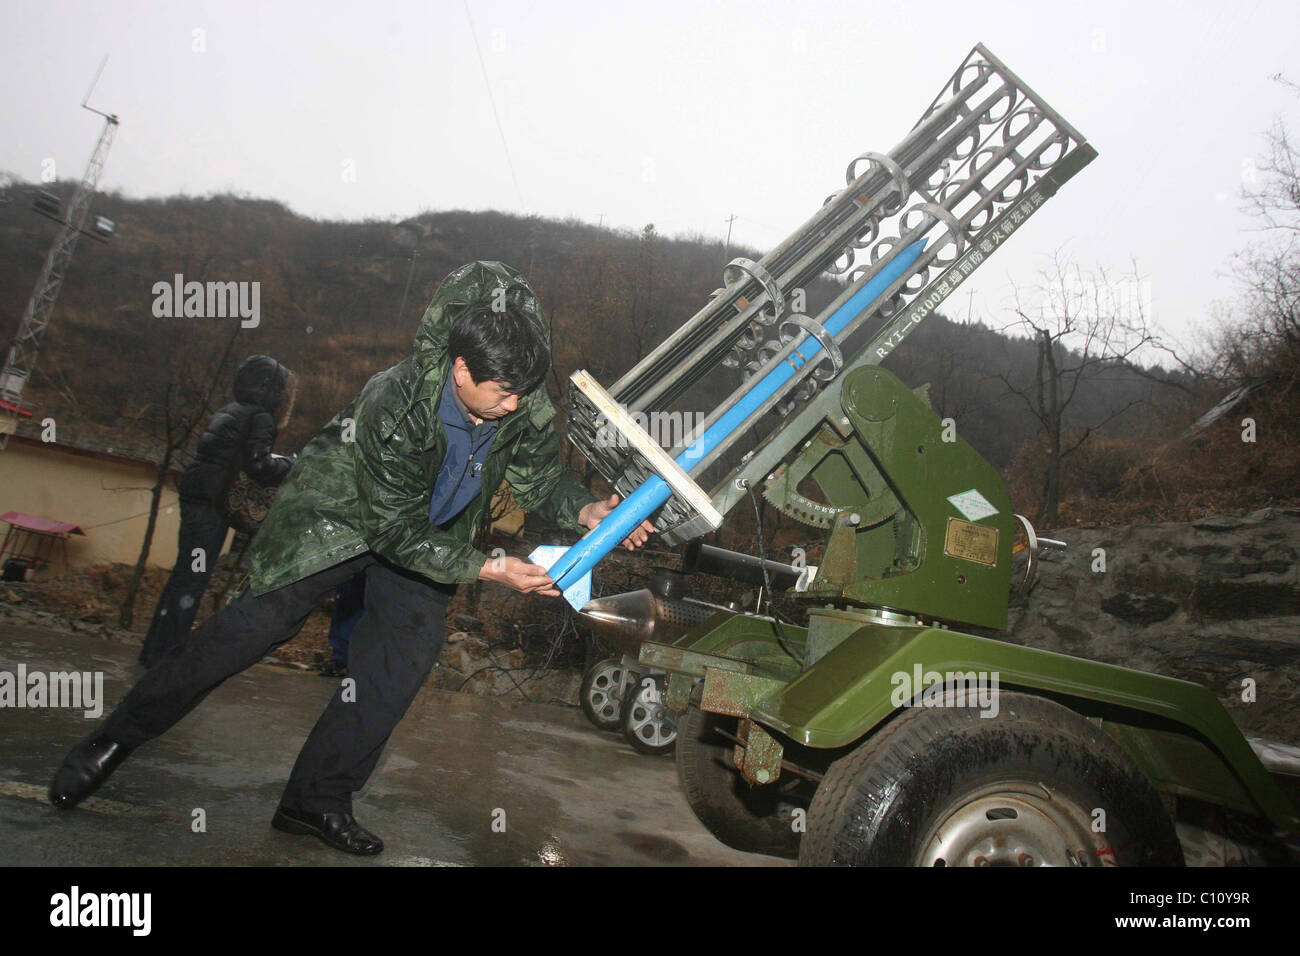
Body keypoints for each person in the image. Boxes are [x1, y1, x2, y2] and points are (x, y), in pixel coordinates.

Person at [49, 261, 653, 856]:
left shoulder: (517, 392)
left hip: (432, 538)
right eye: (502, 393)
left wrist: (585, 510)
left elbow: (539, 474)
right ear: (461, 369)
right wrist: (490, 569)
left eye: (523, 393)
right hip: (337, 522)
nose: (516, 406)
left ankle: (315, 801)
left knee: (398, 664)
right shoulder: (393, 399)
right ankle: (113, 740)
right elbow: (389, 528)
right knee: (244, 634)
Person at [137, 355, 295, 667]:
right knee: (193, 579)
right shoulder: (261, 417)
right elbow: (259, 465)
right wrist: (290, 465)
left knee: (184, 573)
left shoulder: (229, 411)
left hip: (195, 495)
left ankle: (156, 648)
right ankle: (168, 657)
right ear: (273, 390)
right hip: (214, 503)